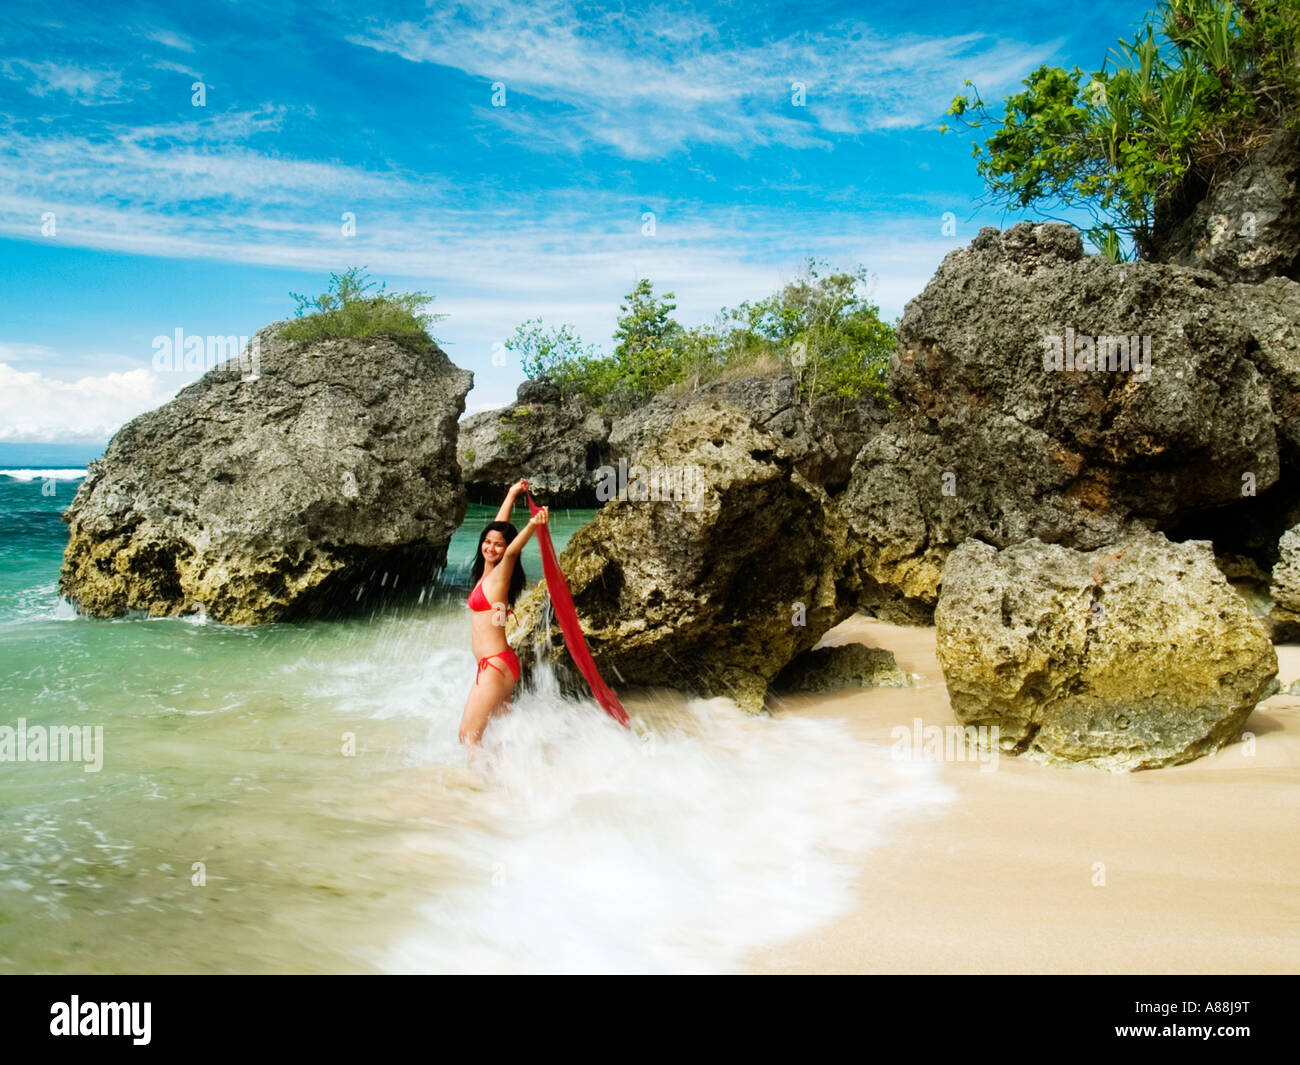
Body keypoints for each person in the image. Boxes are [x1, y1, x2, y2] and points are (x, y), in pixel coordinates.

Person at [459, 478, 548, 749]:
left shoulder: (499, 576)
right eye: (486, 542)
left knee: (468, 737)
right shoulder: (488, 572)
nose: (490, 547)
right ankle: (517, 779)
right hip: (500, 664)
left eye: (497, 545)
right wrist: (510, 495)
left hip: (495, 667)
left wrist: (533, 524)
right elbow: (500, 532)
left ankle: (479, 786)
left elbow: (509, 551)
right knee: (497, 738)